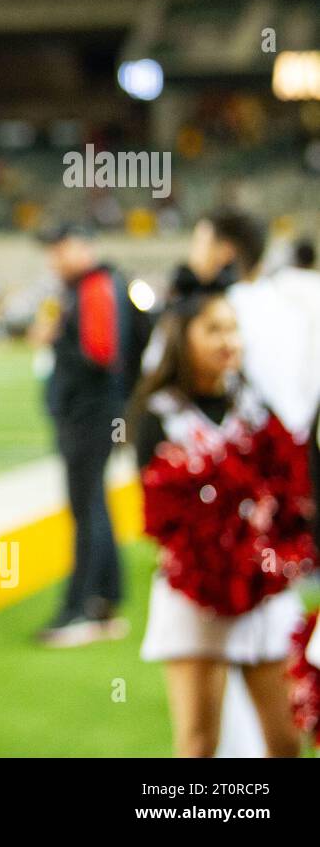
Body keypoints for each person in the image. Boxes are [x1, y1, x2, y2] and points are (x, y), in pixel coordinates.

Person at [131, 291, 312, 757]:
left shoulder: (256, 405)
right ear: (182, 338)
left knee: (286, 741)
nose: (228, 340)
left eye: (232, 328)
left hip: (263, 594)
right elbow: (161, 513)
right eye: (213, 328)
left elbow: (289, 491)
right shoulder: (158, 413)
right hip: (195, 595)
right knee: (198, 742)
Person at [33, 223, 130, 647]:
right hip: (94, 412)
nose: (54, 258)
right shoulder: (93, 285)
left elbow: (101, 355)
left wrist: (56, 340)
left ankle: (79, 608)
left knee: (85, 508)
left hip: (90, 415)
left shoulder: (94, 285)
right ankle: (106, 598)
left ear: (83, 246)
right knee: (95, 504)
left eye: (60, 248)